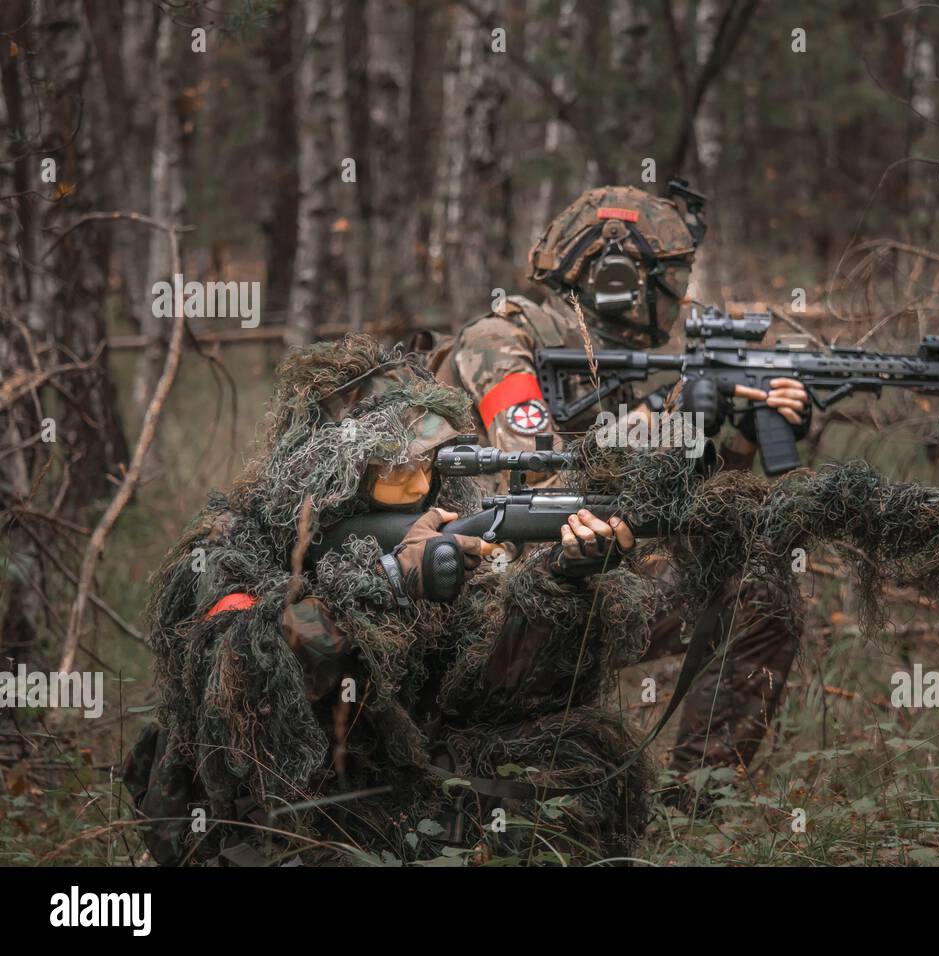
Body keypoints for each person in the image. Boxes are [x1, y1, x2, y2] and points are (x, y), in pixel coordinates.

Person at [126, 334, 649, 865]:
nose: (421, 486)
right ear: (331, 476)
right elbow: (251, 672)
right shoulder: (229, 547)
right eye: (397, 469)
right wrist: (388, 580)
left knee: (578, 763)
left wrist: (559, 584)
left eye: (430, 464)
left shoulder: (432, 537)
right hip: (272, 809)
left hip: (384, 784)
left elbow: (487, 698)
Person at [428, 184, 810, 788]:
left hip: (574, 585)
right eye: (672, 277)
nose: (680, 297)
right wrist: (665, 416)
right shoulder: (499, 342)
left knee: (757, 592)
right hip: (475, 606)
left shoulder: (608, 362)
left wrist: (740, 436)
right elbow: (535, 477)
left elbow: (672, 509)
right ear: (617, 279)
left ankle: (698, 797)